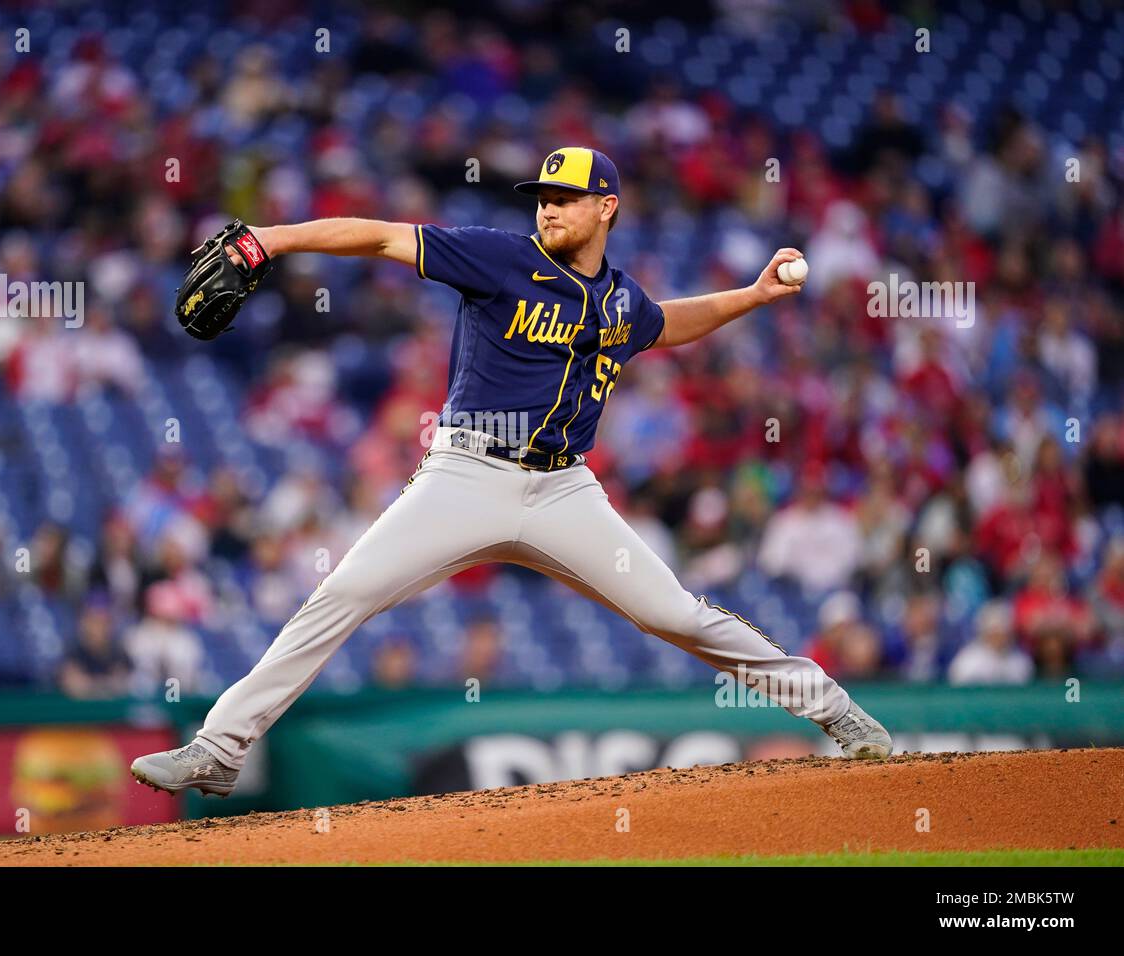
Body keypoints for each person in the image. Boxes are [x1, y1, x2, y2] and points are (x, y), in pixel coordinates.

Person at [132, 147, 892, 796]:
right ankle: (220, 748)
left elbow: (665, 323)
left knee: (677, 616)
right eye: (543, 197)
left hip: (565, 488)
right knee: (344, 593)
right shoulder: (499, 258)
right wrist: (271, 238)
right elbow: (378, 239)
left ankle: (833, 709)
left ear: (607, 208)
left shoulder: (622, 301)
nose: (549, 209)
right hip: (465, 477)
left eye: (565, 198)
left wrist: (754, 296)